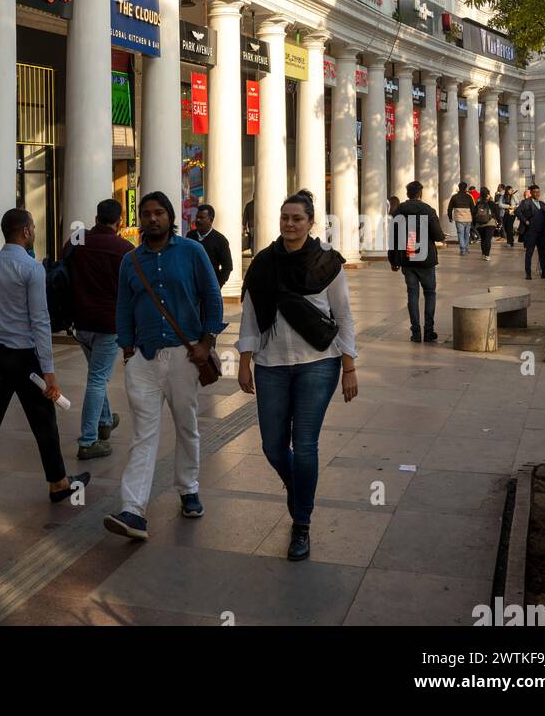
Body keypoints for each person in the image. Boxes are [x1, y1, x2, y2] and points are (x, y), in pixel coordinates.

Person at [238, 191, 357, 562]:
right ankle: (299, 488)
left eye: (297, 218)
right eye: (284, 217)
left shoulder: (328, 264)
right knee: (273, 447)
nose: (289, 224)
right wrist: (244, 359)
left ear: (310, 222)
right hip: (271, 363)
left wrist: (349, 367)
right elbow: (250, 315)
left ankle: (301, 523)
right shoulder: (262, 264)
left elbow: (344, 317)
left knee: (305, 444)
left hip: (318, 362)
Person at [104, 191, 225, 542]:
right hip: (143, 358)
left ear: (171, 218)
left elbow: (212, 296)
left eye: (159, 213)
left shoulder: (191, 251)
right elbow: (123, 306)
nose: (152, 219)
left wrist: (207, 342)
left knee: (186, 426)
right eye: (146, 214)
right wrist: (127, 351)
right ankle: (133, 509)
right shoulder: (131, 260)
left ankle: (188, 488)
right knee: (144, 434)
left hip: (183, 356)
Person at [0, 208, 89, 522]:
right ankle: (58, 482)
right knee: (43, 422)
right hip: (25, 358)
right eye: (33, 226)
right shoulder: (32, 269)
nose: (34, 230)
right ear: (24, 232)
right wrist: (50, 372)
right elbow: (40, 321)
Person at [69, 198, 132, 460]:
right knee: (97, 379)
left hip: (80, 322)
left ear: (95, 219)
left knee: (96, 374)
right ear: (119, 222)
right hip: (108, 323)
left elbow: (63, 272)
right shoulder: (124, 249)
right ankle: (88, 440)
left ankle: (105, 420)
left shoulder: (77, 241)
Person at [389, 181, 446, 343]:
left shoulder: (399, 211)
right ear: (420, 194)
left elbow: (394, 238)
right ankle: (429, 331)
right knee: (430, 293)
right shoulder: (428, 210)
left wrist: (393, 260)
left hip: (407, 259)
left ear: (407, 194)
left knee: (412, 295)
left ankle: (415, 333)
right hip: (426, 259)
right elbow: (438, 235)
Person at [186, 204, 233, 289]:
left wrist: (218, 284)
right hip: (190, 286)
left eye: (201, 217)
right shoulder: (190, 236)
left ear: (211, 220)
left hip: (210, 287)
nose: (197, 220)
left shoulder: (220, 240)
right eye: (197, 217)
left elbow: (228, 266)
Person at [515, 186, 545, 280]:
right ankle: (528, 273)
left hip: (541, 232)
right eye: (535, 192)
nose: (537, 194)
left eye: (538, 192)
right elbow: (517, 211)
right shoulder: (526, 202)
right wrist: (525, 220)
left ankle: (544, 272)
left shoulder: (542, 203)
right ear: (531, 193)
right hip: (531, 232)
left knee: (542, 253)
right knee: (529, 253)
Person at [446, 182, 476, 256]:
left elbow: (449, 208)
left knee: (460, 234)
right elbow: (473, 208)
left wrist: (450, 217)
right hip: (468, 218)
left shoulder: (454, 197)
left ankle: (463, 250)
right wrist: (474, 218)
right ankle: (466, 248)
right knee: (466, 234)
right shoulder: (469, 197)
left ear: (459, 187)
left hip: (459, 218)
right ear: (466, 188)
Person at [474, 186, 502, 259]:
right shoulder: (491, 203)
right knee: (488, 239)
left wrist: (474, 223)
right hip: (490, 223)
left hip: (480, 224)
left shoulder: (478, 203)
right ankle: (487, 255)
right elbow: (497, 213)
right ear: (488, 195)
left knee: (483, 239)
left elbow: (474, 213)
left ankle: (483, 253)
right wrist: (499, 221)